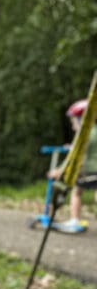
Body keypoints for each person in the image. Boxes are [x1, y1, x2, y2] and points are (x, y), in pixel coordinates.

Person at [47, 99, 97, 233]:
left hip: (89, 172)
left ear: (82, 119)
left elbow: (75, 156)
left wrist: (59, 170)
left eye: (74, 122)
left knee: (76, 191)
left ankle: (74, 220)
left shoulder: (83, 136)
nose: (73, 126)